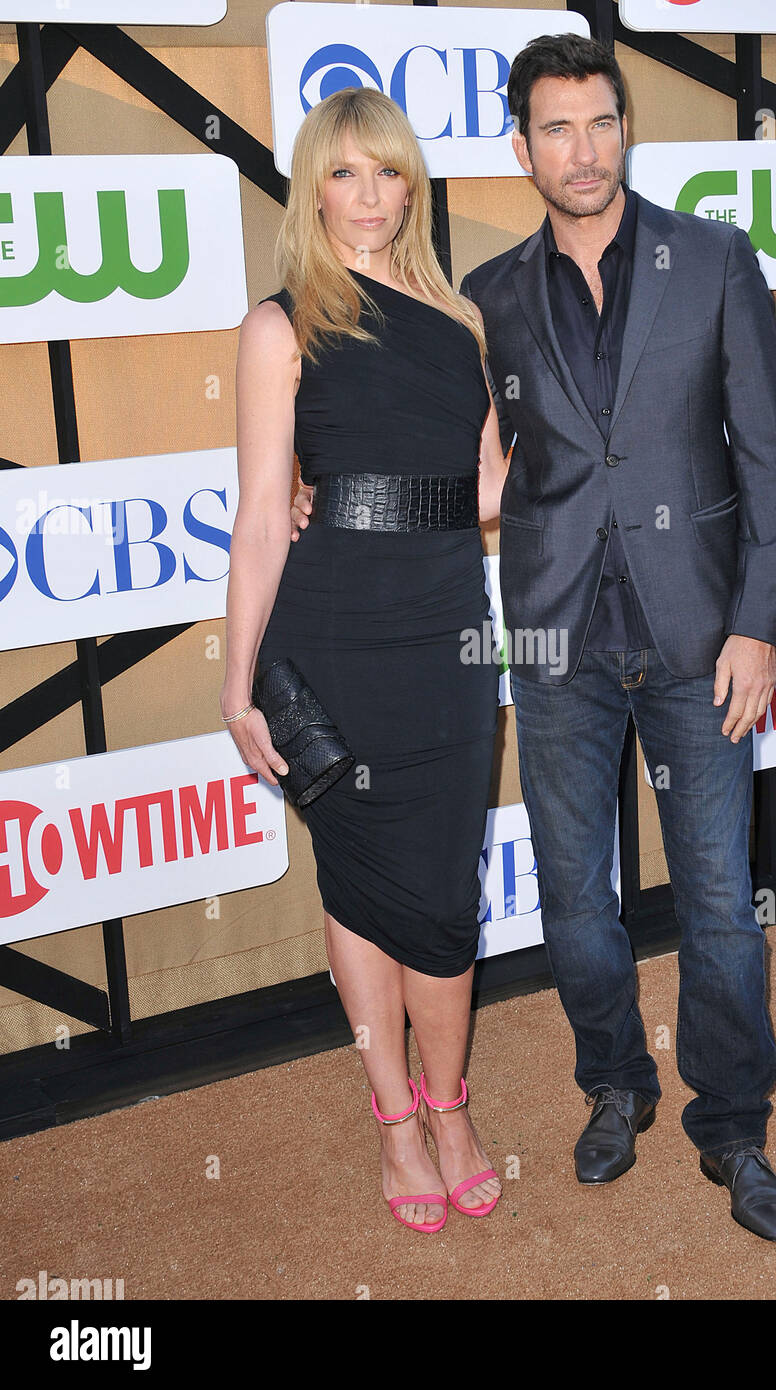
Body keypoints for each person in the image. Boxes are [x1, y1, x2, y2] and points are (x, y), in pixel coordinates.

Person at [293, 35, 776, 1242]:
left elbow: (767, 465)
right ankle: (612, 1087)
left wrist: (758, 627)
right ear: (519, 148)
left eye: (602, 122)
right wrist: (324, 494)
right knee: (577, 902)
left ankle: (732, 1127)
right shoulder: (486, 301)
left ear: (626, 129)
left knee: (721, 905)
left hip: (696, 641)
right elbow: (451, 462)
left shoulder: (715, 260)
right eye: (556, 129)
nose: (584, 150)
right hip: (556, 641)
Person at [222, 86, 507, 1234]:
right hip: (329, 631)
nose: (369, 195)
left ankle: (452, 1104)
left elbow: (485, 490)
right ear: (314, 186)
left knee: (439, 891)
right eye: (345, 173)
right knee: (358, 877)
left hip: (445, 628)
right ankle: (396, 1117)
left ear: (411, 185)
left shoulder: (463, 322)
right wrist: (236, 681)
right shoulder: (279, 324)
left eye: (387, 172)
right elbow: (256, 520)